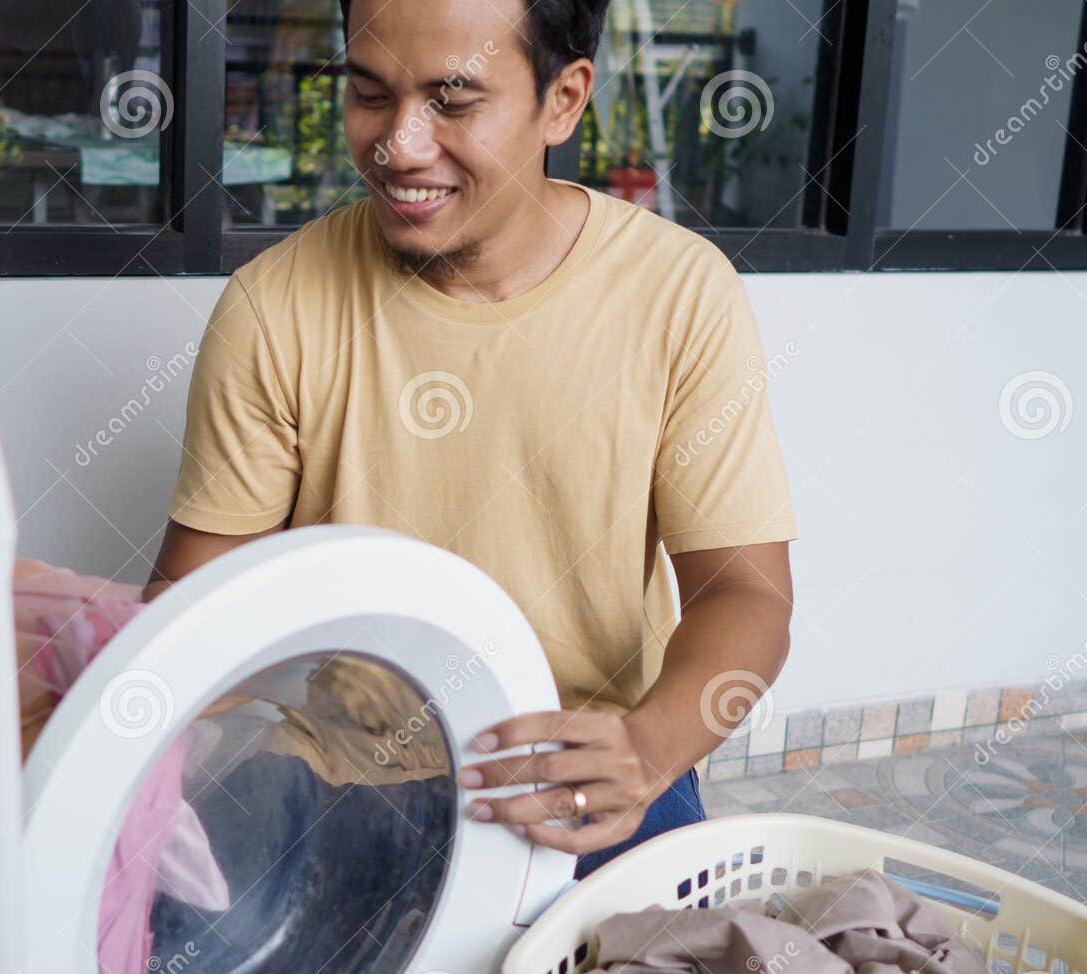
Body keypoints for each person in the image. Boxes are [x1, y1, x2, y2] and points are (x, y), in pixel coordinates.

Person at [144, 0, 797, 879]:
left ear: (562, 101)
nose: (399, 146)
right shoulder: (275, 309)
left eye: (452, 102)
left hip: (587, 760)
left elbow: (746, 598)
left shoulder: (678, 294)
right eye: (370, 94)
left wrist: (642, 751)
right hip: (331, 775)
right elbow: (196, 619)